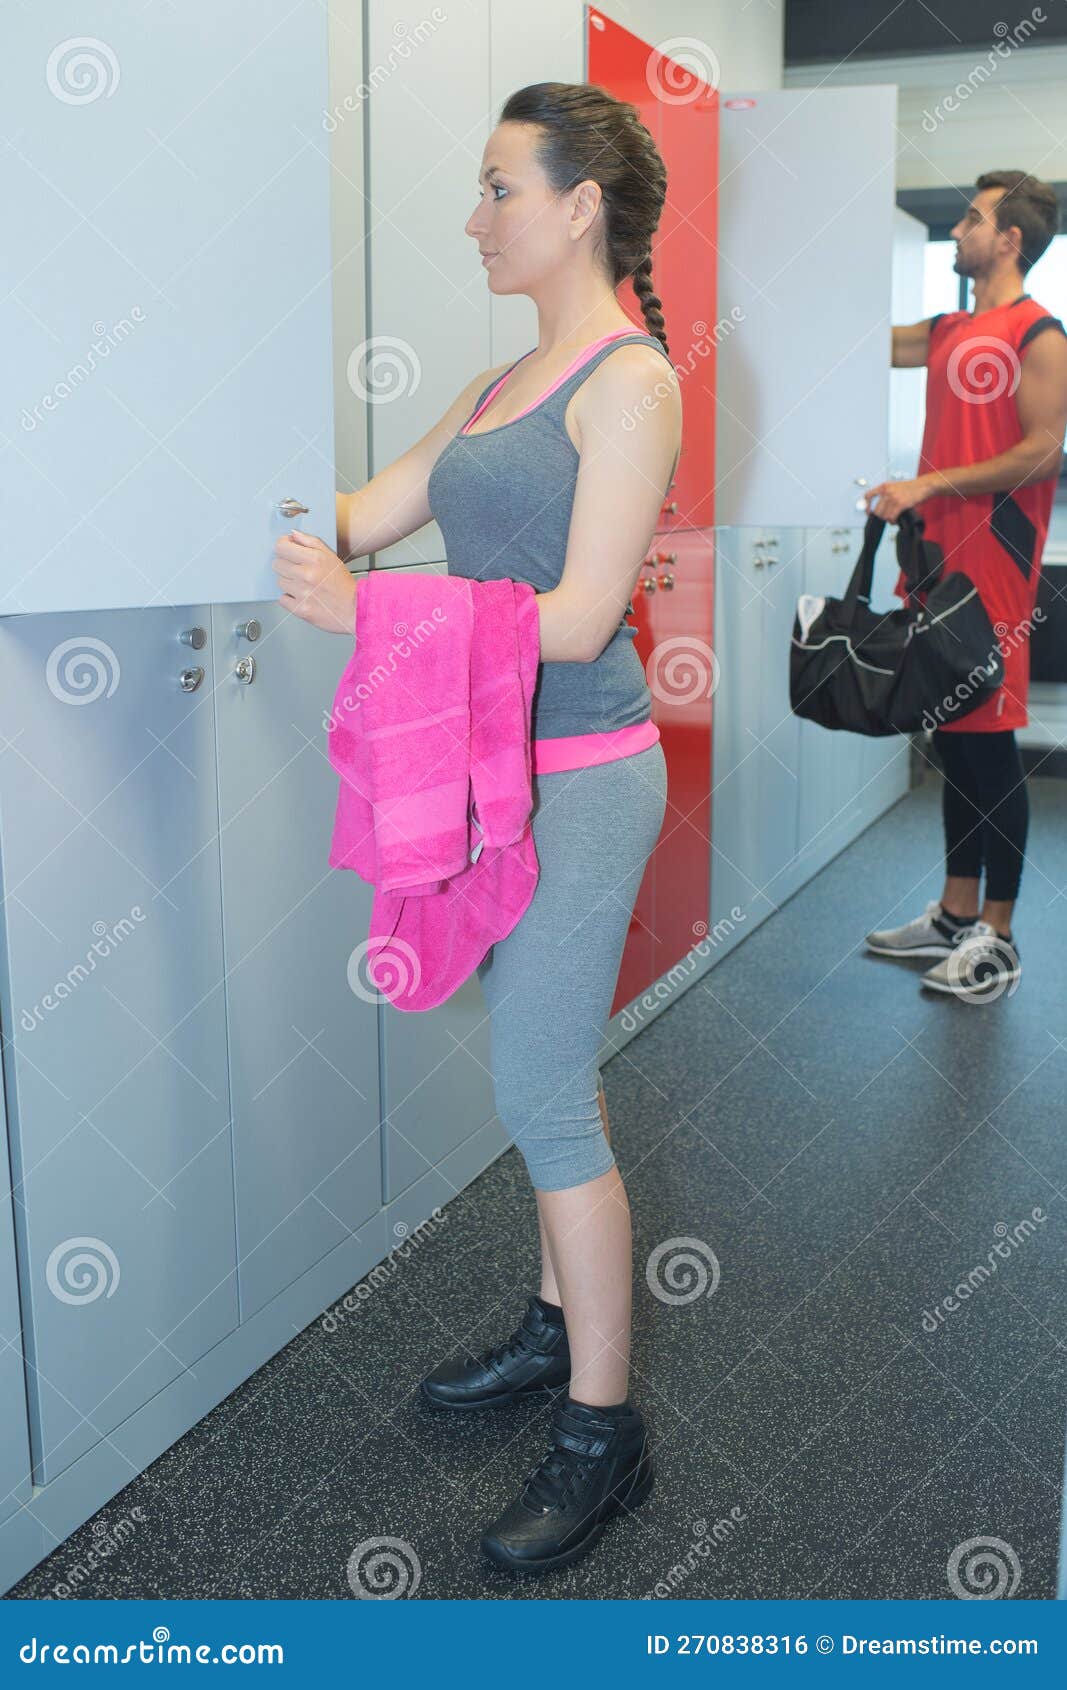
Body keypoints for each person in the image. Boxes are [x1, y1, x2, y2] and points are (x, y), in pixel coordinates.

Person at [272, 82, 681, 1573]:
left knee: (540, 1091)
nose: (473, 217)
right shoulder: (498, 382)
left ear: (580, 206)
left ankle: (603, 1435)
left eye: (499, 187)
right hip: (486, 778)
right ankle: (552, 1322)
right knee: (536, 1078)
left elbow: (576, 618)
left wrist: (368, 607)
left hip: (580, 778)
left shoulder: (630, 383)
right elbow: (365, 509)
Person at [864, 170, 1067, 998]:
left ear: (1010, 239)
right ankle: (952, 914)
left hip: (993, 565)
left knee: (987, 745)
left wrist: (930, 485)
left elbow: (1044, 449)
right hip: (933, 559)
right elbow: (865, 340)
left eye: (972, 219)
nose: (957, 230)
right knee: (951, 735)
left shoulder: (1039, 335)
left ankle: (998, 936)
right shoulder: (948, 326)